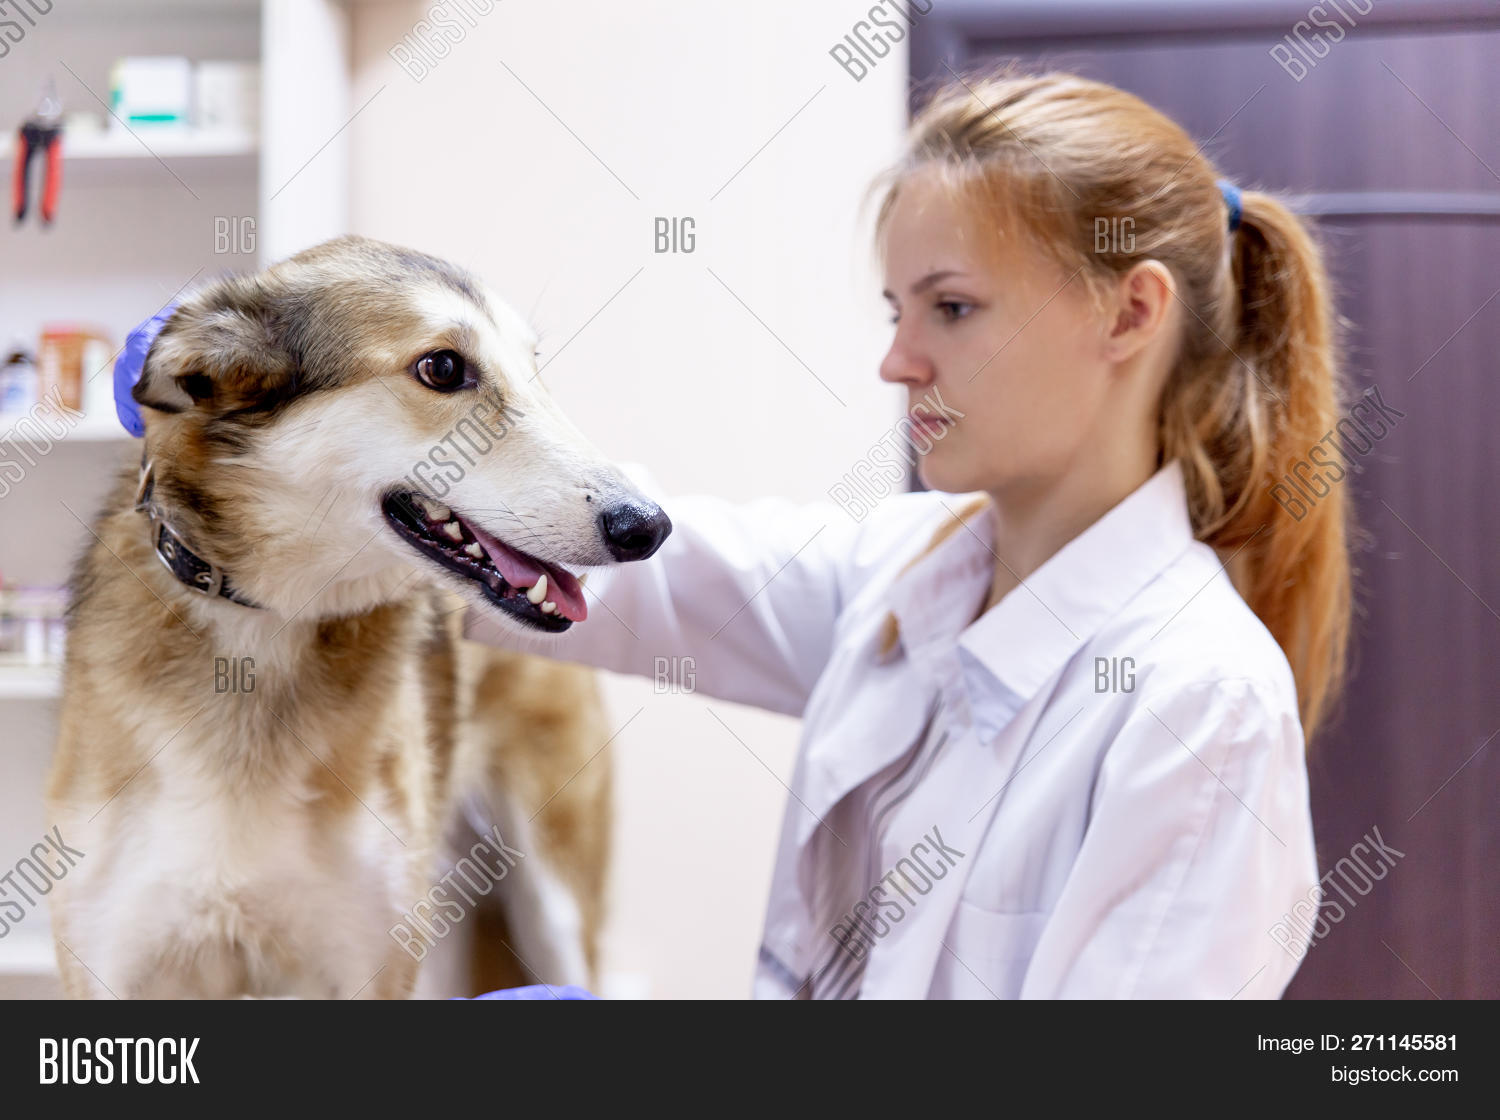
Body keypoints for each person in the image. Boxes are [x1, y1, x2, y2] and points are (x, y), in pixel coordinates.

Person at [116, 69, 1351, 999]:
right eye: (896, 307)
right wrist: (274, 447)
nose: (897, 358)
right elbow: (633, 565)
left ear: (1129, 313)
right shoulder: (904, 575)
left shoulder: (1194, 705)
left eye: (953, 308)